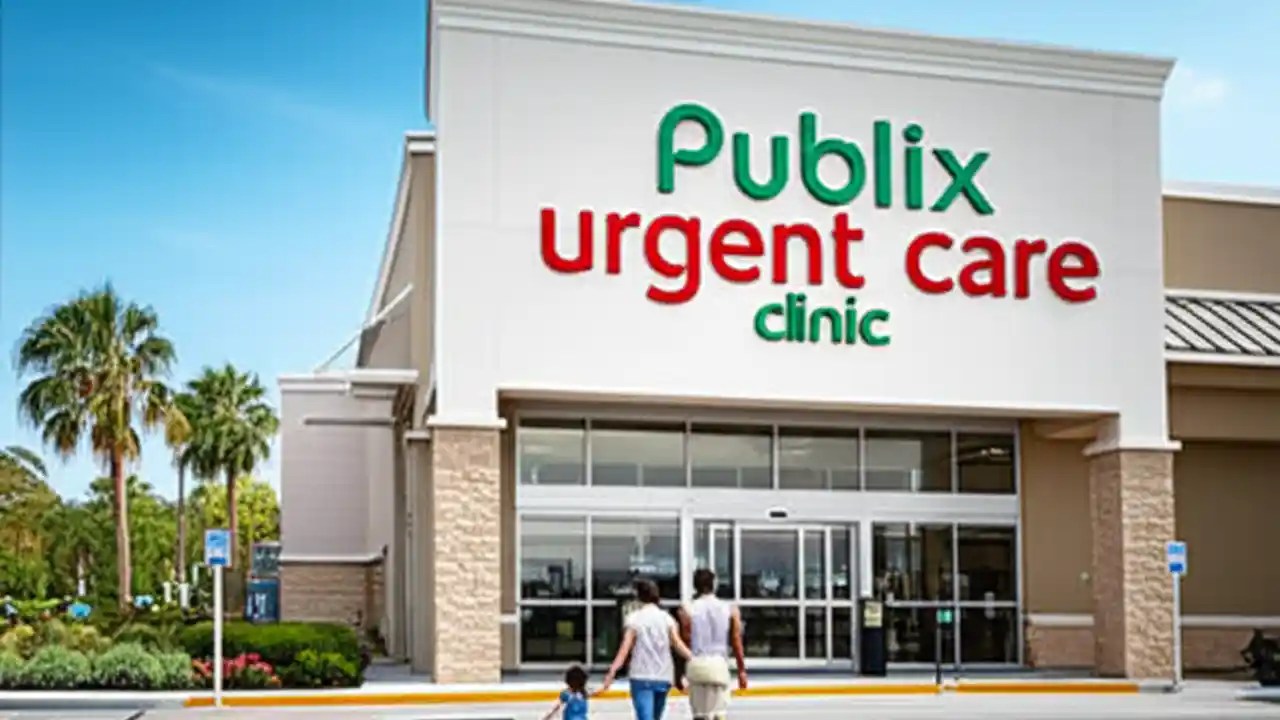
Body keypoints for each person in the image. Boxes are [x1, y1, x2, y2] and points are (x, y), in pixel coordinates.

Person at [599, 578, 693, 720]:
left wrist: (612, 672)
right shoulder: (667, 619)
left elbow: (625, 649)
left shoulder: (634, 619)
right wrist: (696, 658)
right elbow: (678, 644)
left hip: (641, 676)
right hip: (663, 676)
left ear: (639, 596)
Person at [677, 569, 748, 720]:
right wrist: (741, 670)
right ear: (714, 585)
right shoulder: (730, 609)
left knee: (700, 715)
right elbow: (736, 642)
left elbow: (684, 641)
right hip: (719, 664)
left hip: (696, 664)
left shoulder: (687, 609)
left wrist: (678, 673)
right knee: (719, 714)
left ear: (695, 586)